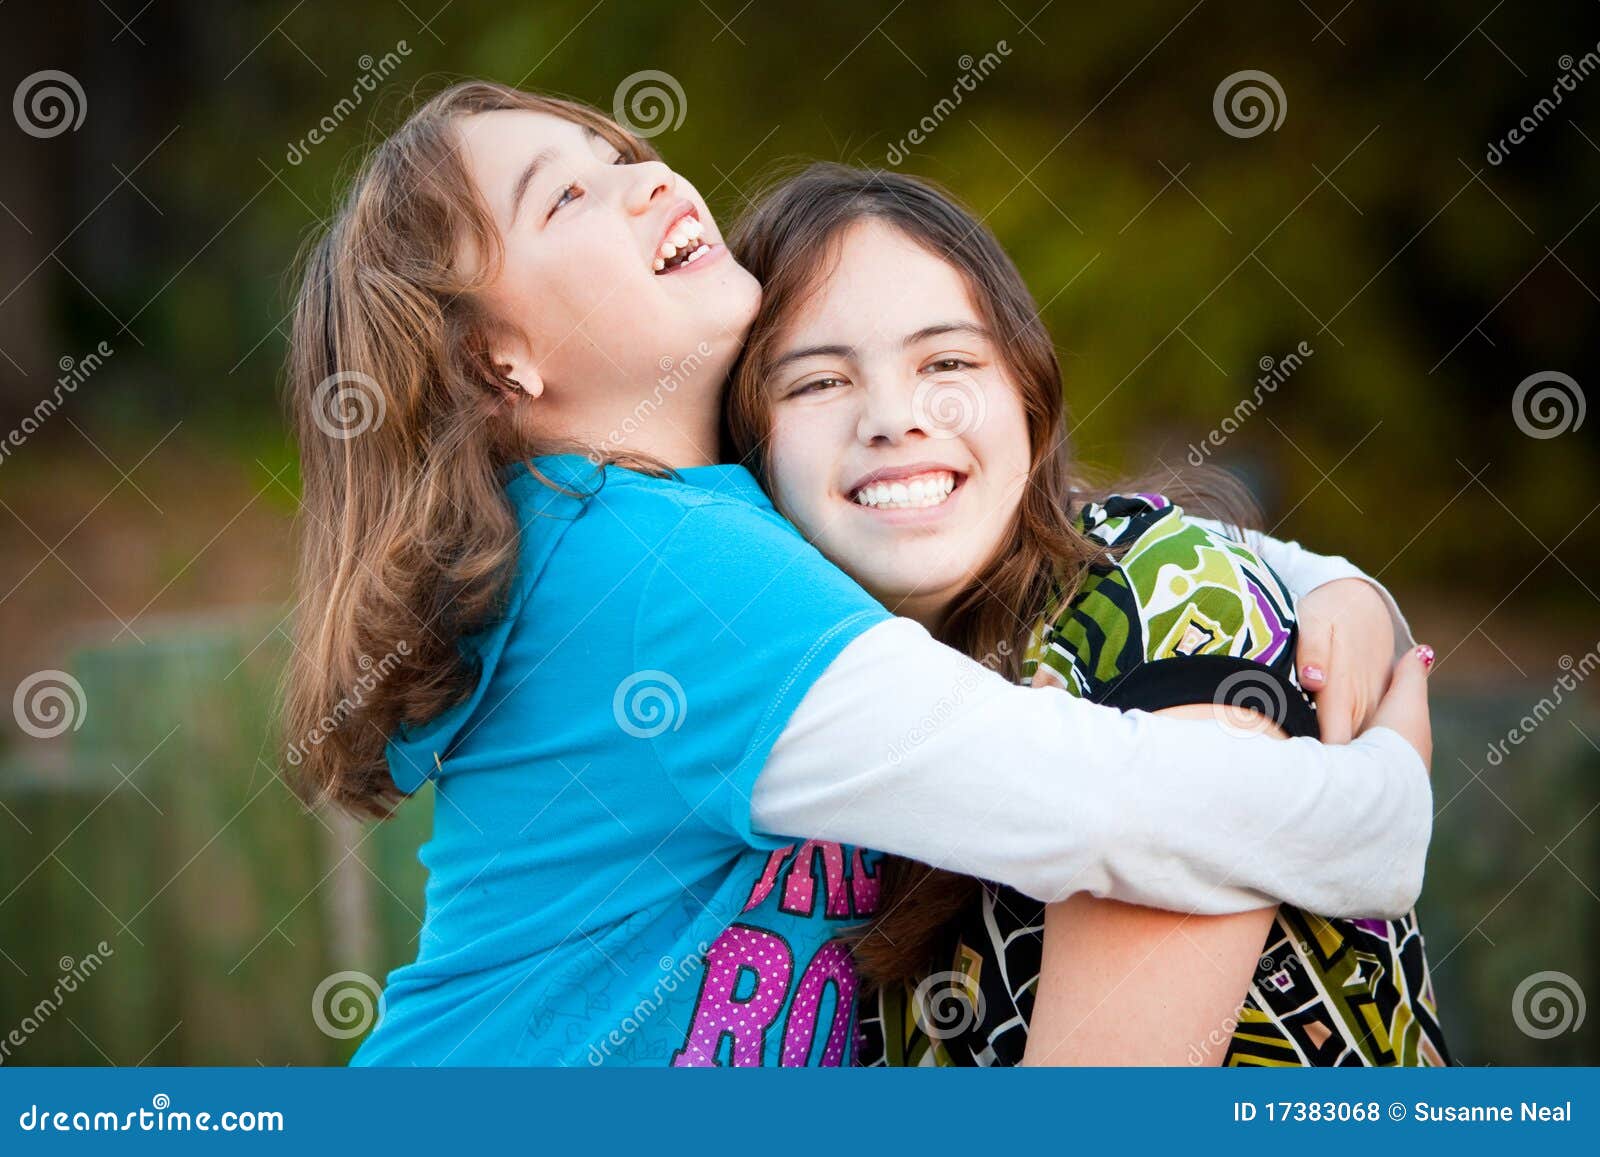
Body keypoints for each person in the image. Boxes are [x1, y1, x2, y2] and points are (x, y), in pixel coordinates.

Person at [282, 82, 1434, 1066]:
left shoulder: (681, 525)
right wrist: (1384, 792)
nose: (645, 175)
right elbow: (1107, 804)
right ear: (495, 359)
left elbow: (1039, 523)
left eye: (621, 153)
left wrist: (1327, 580)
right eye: (565, 194)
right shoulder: (654, 570)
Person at [724, 163, 1449, 1067]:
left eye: (947, 361)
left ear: (1026, 392)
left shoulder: (1168, 611)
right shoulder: (809, 677)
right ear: (745, 446)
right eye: (818, 382)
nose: (895, 418)